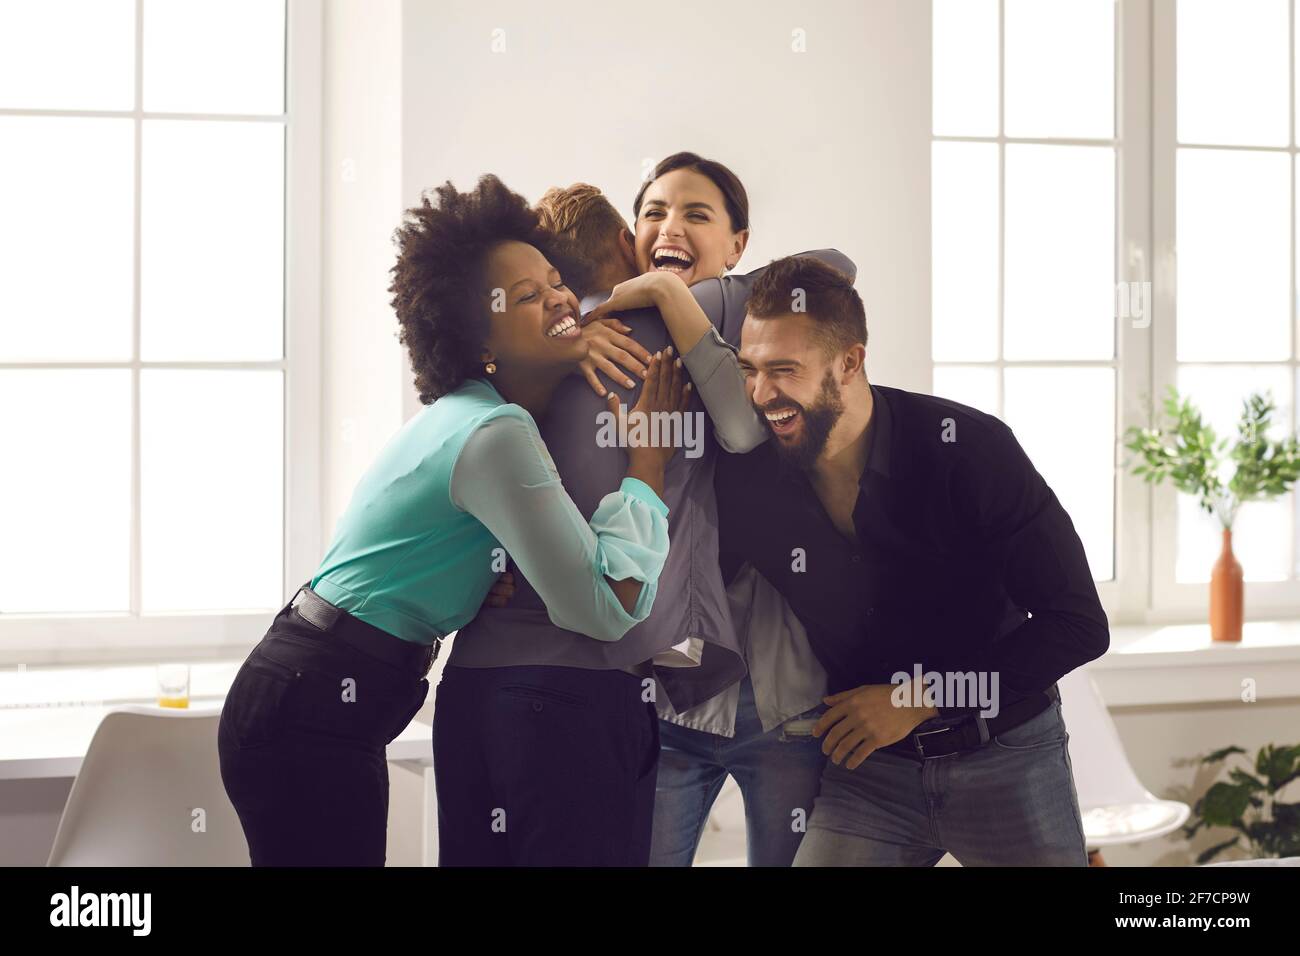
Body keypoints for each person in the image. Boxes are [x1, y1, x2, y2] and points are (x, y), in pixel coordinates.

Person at [217, 174, 686, 866]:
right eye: (527, 297)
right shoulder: (495, 432)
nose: (561, 298)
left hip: (313, 689)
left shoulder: (470, 414)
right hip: (311, 706)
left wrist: (485, 571)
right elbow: (604, 609)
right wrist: (649, 464)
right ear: (478, 341)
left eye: (555, 279)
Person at [482, 153, 851, 866]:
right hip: (670, 691)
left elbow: (833, 267)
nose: (669, 225)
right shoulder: (607, 340)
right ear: (627, 239)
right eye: (652, 213)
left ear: (740, 244)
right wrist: (499, 570)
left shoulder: (752, 313)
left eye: (695, 213)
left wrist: (665, 291)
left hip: (783, 699)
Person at [708, 254, 1110, 865]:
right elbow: (684, 572)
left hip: (1005, 759)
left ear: (849, 362)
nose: (761, 395)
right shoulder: (751, 482)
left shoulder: (969, 450)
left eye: (784, 371)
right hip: (867, 776)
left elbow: (1078, 626)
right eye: (750, 370)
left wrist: (916, 698)